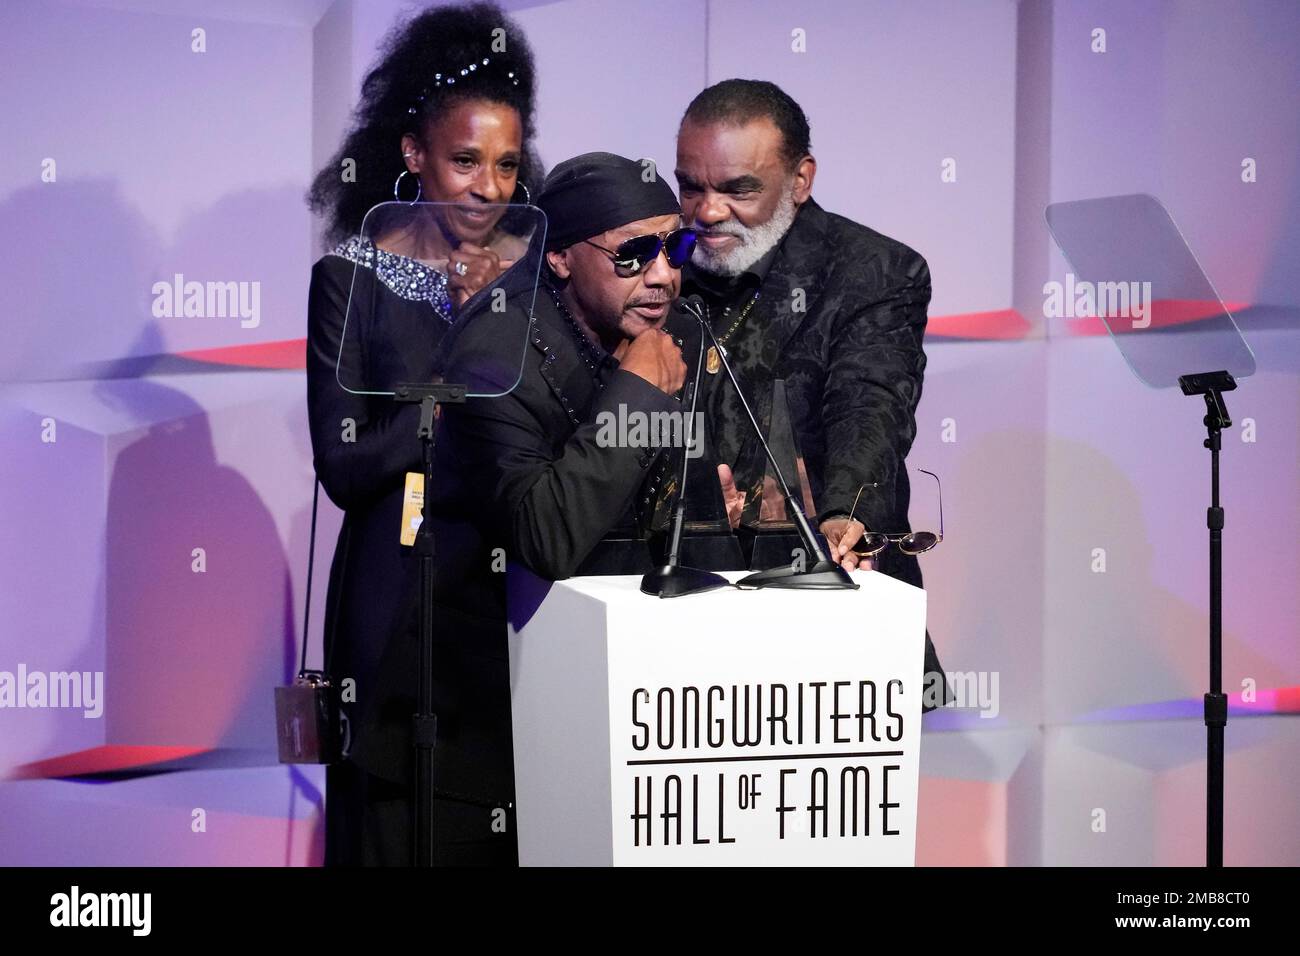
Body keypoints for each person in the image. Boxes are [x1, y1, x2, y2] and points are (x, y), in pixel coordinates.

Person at [349, 151, 691, 865]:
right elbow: (548, 534)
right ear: (562, 258)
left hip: (580, 720)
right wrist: (633, 399)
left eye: (675, 246)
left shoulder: (657, 333)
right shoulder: (490, 360)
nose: (663, 273)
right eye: (634, 253)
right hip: (459, 748)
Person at [303, 1, 543, 867]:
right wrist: (450, 393)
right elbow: (345, 464)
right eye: (465, 161)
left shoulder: (533, 284)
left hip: (501, 598)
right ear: (413, 155)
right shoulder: (349, 279)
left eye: (508, 165)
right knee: (387, 828)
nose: (489, 187)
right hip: (389, 589)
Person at [672, 79, 952, 710]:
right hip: (677, 620)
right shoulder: (662, 265)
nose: (708, 211)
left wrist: (846, 512)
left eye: (738, 188)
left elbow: (871, 399)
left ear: (800, 180)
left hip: (831, 604)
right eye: (691, 185)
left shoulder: (874, 270)